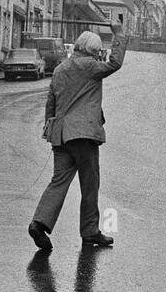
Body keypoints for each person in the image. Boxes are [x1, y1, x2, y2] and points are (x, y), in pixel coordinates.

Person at [28, 21, 127, 253]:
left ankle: (38, 223)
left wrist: (51, 131)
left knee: (58, 182)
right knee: (90, 184)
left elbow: (51, 102)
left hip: (61, 136)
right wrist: (119, 34)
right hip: (83, 136)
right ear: (93, 50)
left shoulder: (62, 68)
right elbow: (115, 63)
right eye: (98, 50)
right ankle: (90, 231)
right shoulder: (91, 67)